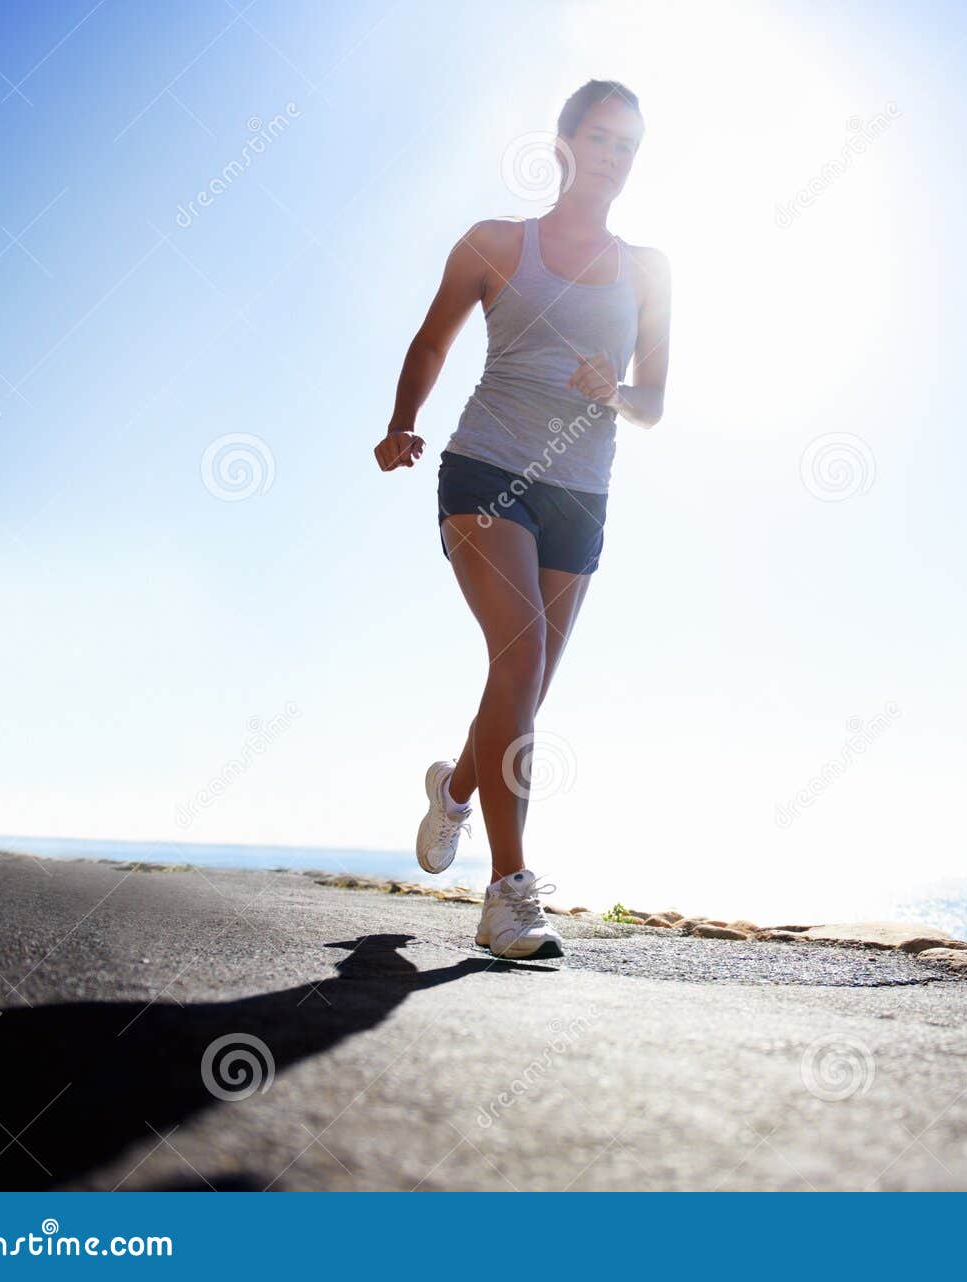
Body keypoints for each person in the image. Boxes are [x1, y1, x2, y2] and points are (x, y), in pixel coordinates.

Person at [374, 80, 671, 960]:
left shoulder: (650, 269)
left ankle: (456, 788)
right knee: (521, 655)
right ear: (565, 144)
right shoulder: (495, 243)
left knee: (525, 683)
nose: (616, 157)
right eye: (602, 138)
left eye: (631, 145)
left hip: (582, 496)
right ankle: (509, 892)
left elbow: (653, 401)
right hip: (486, 472)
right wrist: (401, 423)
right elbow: (433, 340)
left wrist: (609, 391)